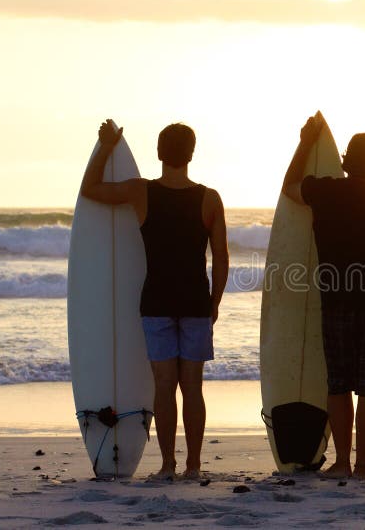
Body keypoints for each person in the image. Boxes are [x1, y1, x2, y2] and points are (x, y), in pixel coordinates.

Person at [81, 120, 229, 480]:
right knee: (192, 387)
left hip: (157, 301)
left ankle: (167, 465)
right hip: (195, 301)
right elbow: (222, 257)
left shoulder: (140, 192)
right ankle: (193, 466)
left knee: (164, 385)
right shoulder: (209, 198)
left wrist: (105, 145)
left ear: (159, 153)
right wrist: (214, 302)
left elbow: (90, 189)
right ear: (191, 154)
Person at [281, 113, 365, 479]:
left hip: (335, 301)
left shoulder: (325, 191)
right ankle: (364, 465)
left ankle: (341, 462)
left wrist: (305, 142)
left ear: (346, 160)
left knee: (339, 384)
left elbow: (289, 186)